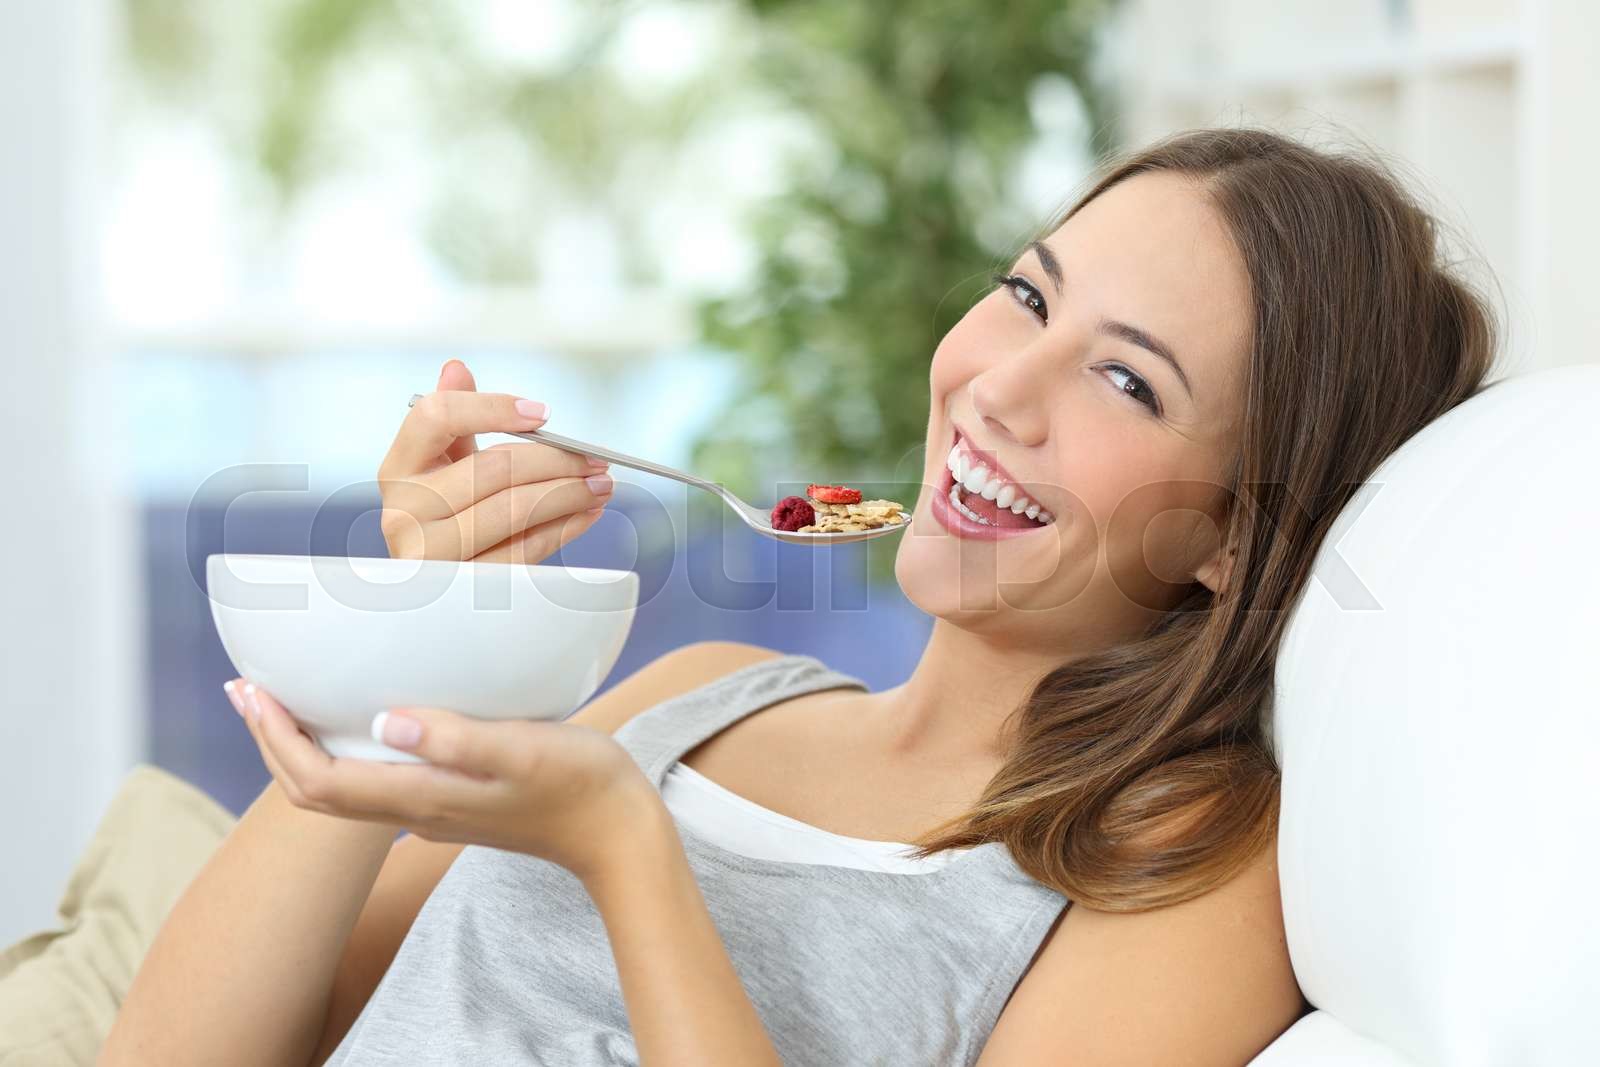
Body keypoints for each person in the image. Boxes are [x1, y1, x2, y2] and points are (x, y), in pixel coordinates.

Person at [103, 126, 1499, 1066]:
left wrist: (626, 854)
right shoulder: (699, 692)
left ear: (1234, 541)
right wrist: (399, 645)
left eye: (1126, 379)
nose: (996, 387)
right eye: (1026, 298)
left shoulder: (1187, 860)